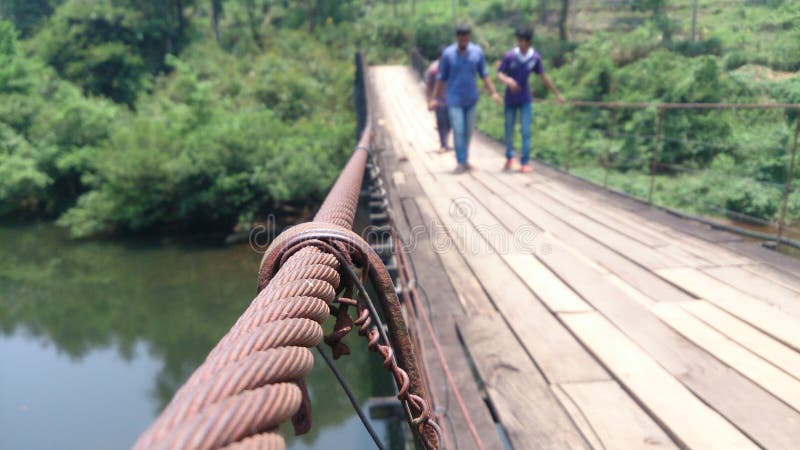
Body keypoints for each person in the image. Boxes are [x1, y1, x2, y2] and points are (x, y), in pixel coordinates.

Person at [429, 24, 502, 174]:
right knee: (458, 129)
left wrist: (493, 92)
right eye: (460, 38)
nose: (463, 41)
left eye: (466, 38)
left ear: (469, 38)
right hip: (454, 99)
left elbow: (484, 74)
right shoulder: (448, 54)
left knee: (468, 131)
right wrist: (434, 98)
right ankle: (460, 161)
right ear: (457, 38)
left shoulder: (477, 52)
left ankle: (465, 159)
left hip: (471, 98)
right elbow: (441, 78)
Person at [497, 27, 564, 173]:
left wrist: (556, 93)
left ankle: (525, 162)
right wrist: (508, 81)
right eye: (518, 40)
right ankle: (509, 157)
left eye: (522, 40)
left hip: (525, 98)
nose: (519, 43)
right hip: (510, 99)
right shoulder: (509, 56)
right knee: (509, 129)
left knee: (526, 130)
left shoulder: (534, 58)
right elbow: (499, 74)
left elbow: (543, 77)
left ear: (529, 42)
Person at [425, 49, 451, 153]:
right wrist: (430, 101)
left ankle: (445, 142)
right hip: (439, 100)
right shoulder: (433, 69)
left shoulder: (452, 67)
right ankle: (443, 144)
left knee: (450, 122)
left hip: (451, 99)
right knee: (441, 123)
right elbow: (428, 86)